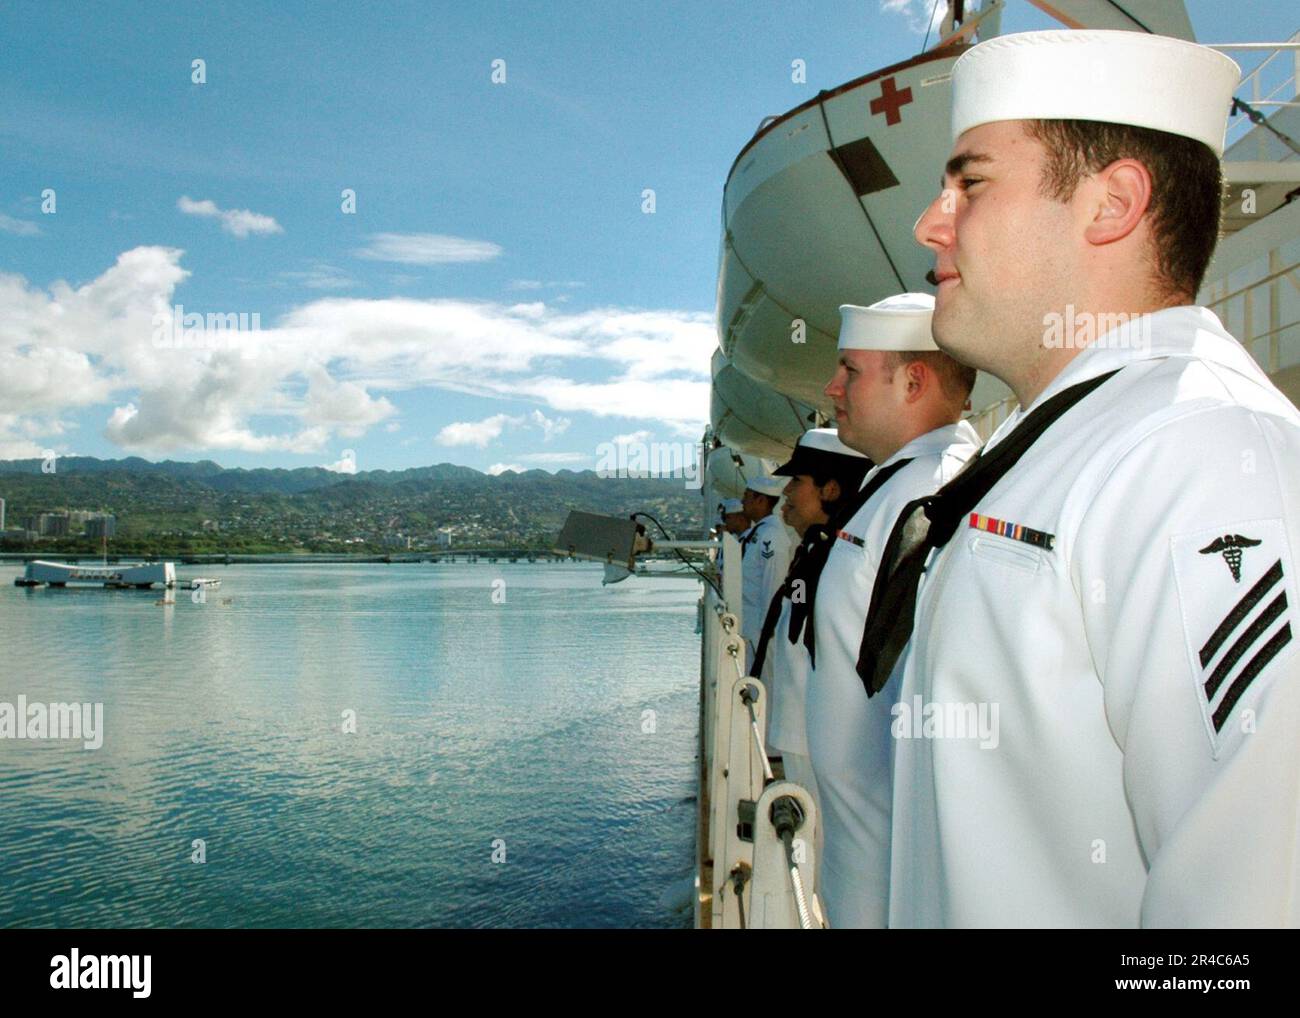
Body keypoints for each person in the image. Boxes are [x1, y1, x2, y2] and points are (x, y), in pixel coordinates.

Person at [870, 29, 1300, 927]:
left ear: (1111, 203)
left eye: (970, 181)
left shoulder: (1205, 451)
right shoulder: (1074, 437)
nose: (929, 222)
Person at [808, 293, 979, 928]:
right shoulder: (896, 485)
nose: (832, 387)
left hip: (894, 889)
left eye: (850, 370)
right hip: (862, 869)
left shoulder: (932, 497)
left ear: (913, 380)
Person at [750, 429, 871, 802]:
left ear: (830, 489)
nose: (785, 492)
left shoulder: (845, 558)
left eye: (797, 481)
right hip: (799, 734)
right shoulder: (815, 551)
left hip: (820, 741)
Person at [739, 476, 793, 672]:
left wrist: (766, 628)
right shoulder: (758, 534)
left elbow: (774, 582)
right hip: (750, 626)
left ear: (760, 500)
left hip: (760, 630)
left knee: (764, 687)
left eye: (747, 496)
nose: (742, 501)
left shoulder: (772, 536)